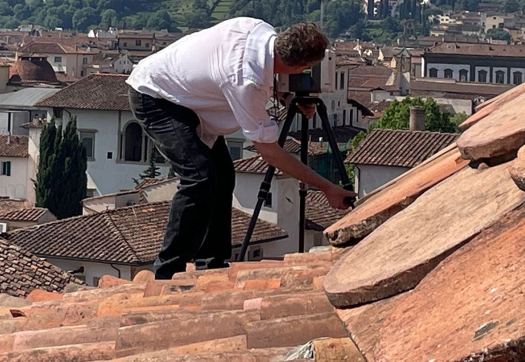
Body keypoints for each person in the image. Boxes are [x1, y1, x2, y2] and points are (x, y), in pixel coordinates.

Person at [127, 18, 356, 279]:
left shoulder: (259, 29)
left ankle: (211, 262)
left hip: (185, 97)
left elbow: (244, 71)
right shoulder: (248, 82)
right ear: (300, 66)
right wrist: (327, 187)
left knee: (223, 175)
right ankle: (168, 271)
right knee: (200, 176)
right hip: (155, 96)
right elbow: (270, 153)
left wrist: (283, 95)